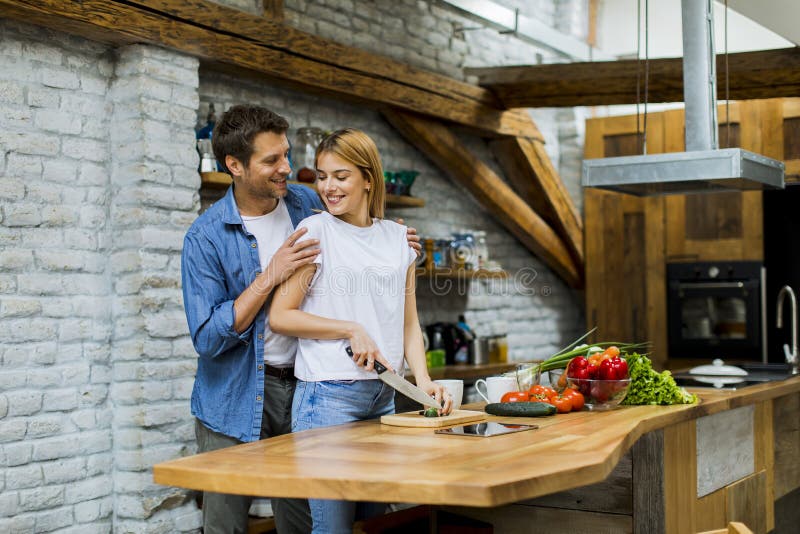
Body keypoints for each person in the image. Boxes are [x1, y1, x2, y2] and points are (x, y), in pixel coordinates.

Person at [181, 106, 420, 534]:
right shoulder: (206, 236)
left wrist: (394, 241)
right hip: (236, 391)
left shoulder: (306, 204)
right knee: (227, 526)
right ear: (234, 166)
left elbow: (353, 225)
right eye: (271, 161)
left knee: (300, 521)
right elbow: (207, 337)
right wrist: (270, 274)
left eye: (286, 154)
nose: (287, 168)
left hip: (307, 385)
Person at [269, 128, 453, 534]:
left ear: (369, 178)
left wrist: (424, 383)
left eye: (341, 176)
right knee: (332, 530)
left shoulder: (398, 240)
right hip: (326, 400)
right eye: (321, 176)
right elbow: (280, 316)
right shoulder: (316, 233)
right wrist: (349, 329)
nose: (328, 188)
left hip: (382, 397)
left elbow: (408, 321)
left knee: (375, 528)